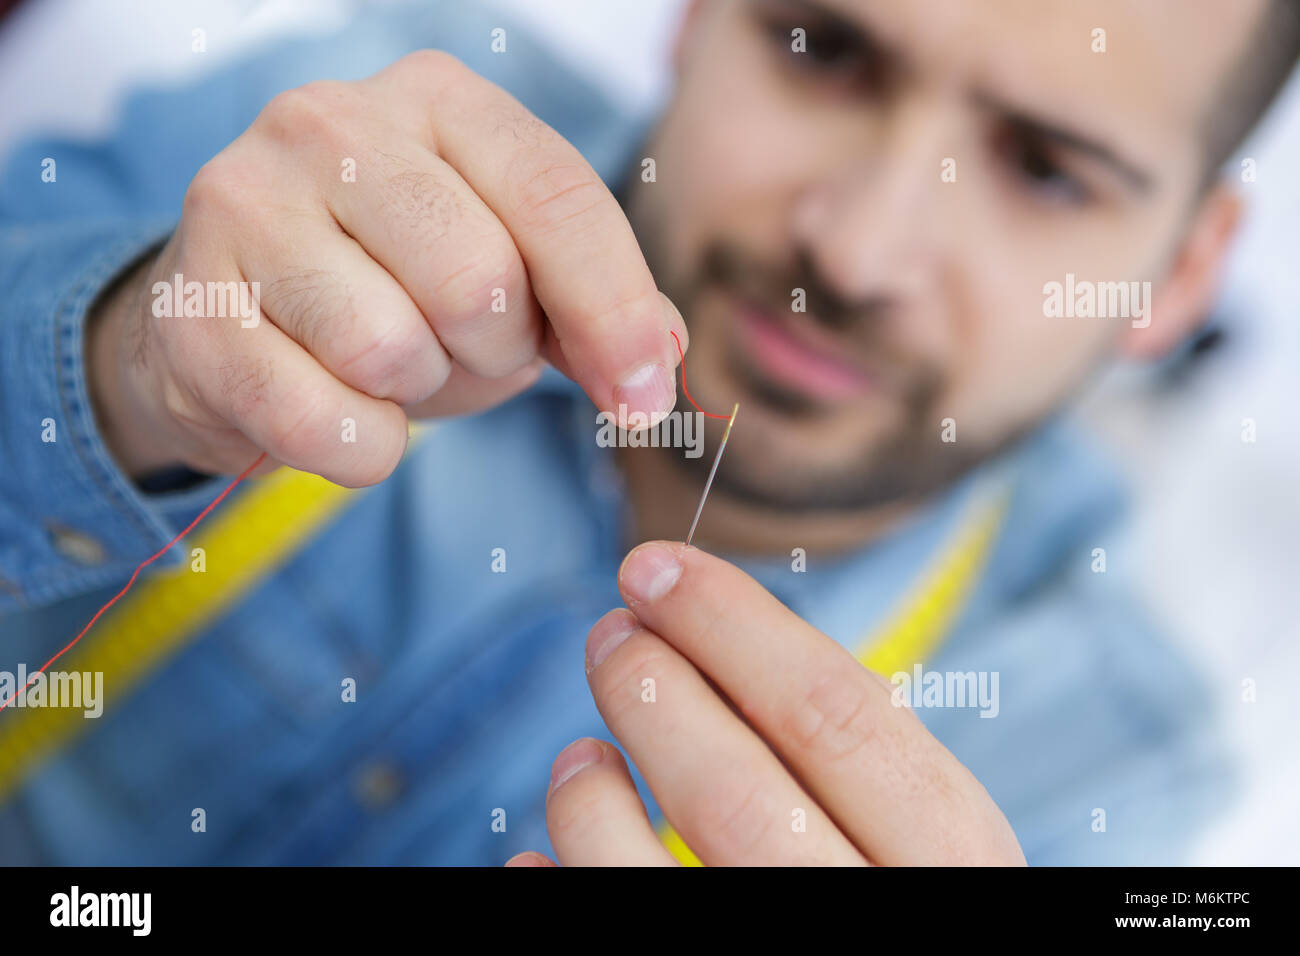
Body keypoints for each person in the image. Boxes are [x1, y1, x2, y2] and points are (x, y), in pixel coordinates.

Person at [0, 0, 1295, 865]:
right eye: (821, 47)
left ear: (1181, 275)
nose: (854, 248)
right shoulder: (329, 121)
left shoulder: (1094, 765)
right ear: (695, 17)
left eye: (1047, 171)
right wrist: (124, 359)